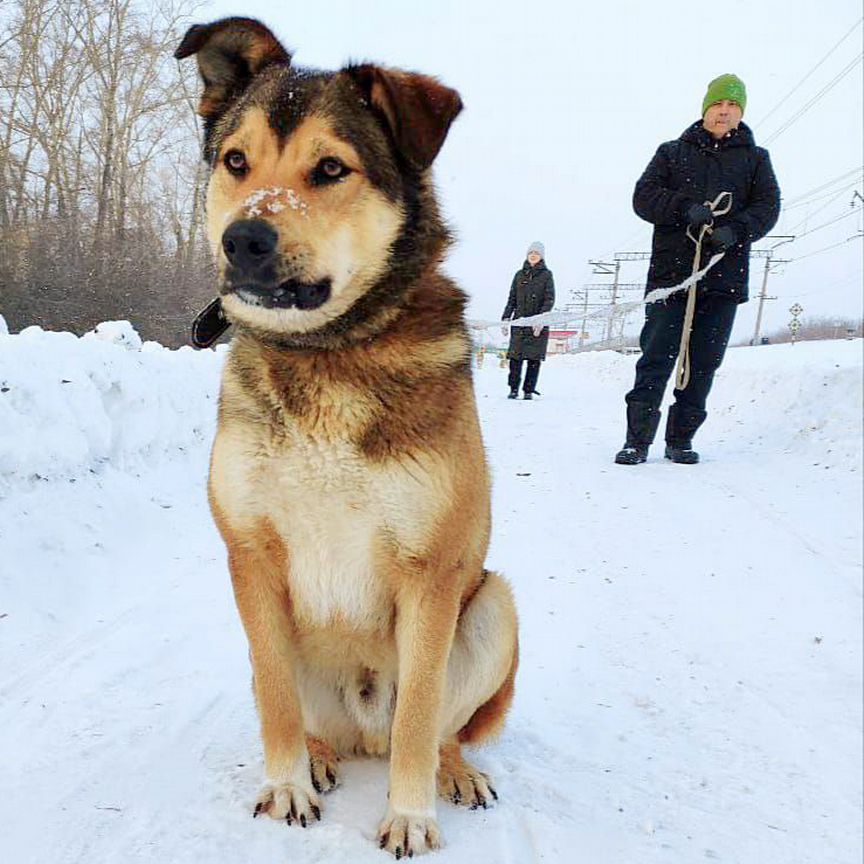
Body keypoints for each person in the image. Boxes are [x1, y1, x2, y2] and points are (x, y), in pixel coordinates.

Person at [614, 74, 780, 465]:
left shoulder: (756, 159)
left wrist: (735, 230)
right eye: (718, 104)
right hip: (672, 278)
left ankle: (681, 440)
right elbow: (643, 197)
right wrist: (684, 208)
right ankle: (637, 440)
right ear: (706, 108)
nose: (725, 111)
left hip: (723, 279)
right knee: (656, 359)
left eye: (733, 105)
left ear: (741, 112)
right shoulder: (672, 152)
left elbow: (768, 207)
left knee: (703, 363)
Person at [501, 241, 555, 400]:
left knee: (534, 359)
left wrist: (541, 319)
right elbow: (512, 299)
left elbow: (549, 299)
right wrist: (506, 318)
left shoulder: (547, 275)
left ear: (541, 256)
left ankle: (528, 390)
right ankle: (513, 389)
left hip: (537, 325)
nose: (533, 255)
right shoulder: (519, 275)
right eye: (531, 253)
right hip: (519, 323)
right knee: (515, 359)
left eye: (536, 253)